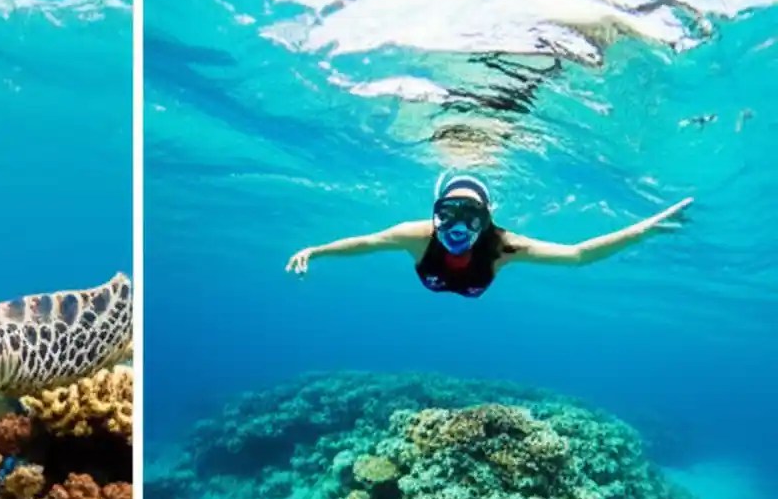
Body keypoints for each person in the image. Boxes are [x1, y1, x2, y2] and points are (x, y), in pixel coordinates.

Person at [284, 175, 693, 298]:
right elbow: (366, 242)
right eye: (448, 215)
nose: (458, 229)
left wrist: (642, 231)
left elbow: (578, 255)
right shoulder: (418, 235)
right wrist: (315, 251)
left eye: (471, 217)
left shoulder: (504, 245)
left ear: (487, 219)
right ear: (435, 214)